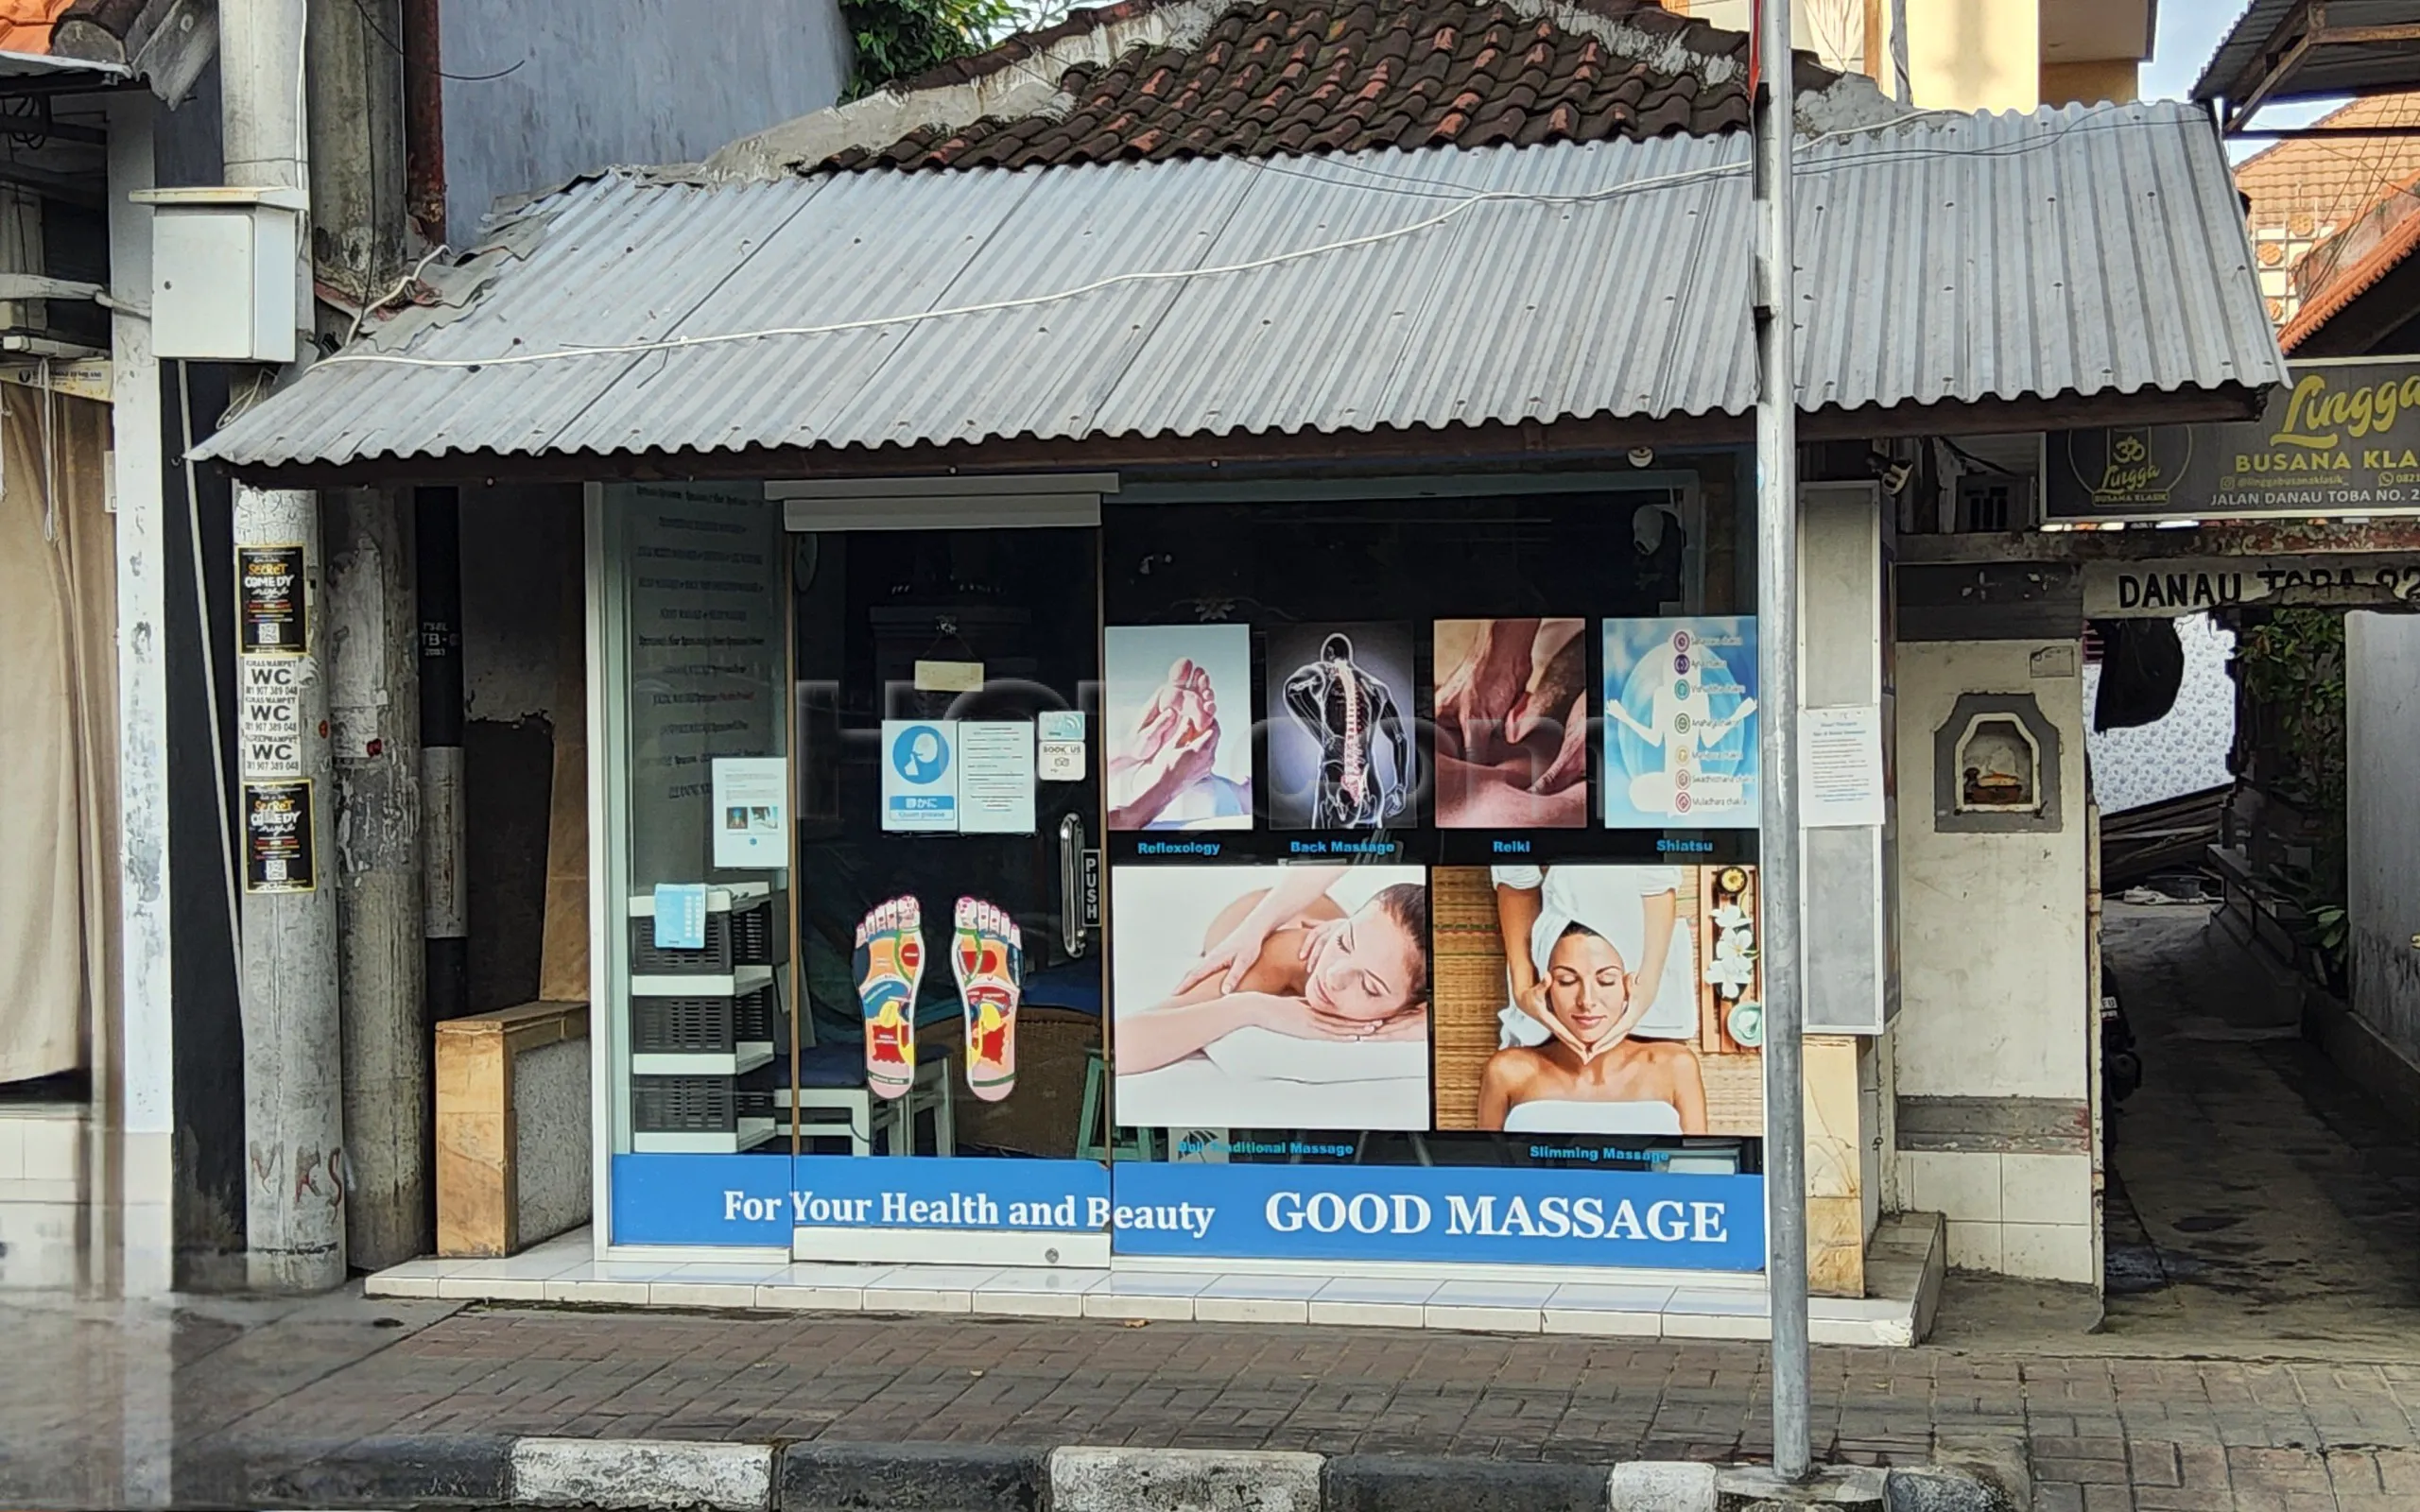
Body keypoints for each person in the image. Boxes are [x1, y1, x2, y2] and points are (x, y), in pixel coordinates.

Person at [1114, 866, 1428, 1074]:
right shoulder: (1287, 954)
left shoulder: (1409, 993)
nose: (1334, 976)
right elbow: (1120, 1046)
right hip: (1251, 910)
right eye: (1343, 942)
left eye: (1370, 987)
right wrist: (1249, 1008)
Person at [1477, 922, 1706, 1135]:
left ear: (1630, 987)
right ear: (1545, 989)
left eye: (1606, 980)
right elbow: (1482, 1173)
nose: (1586, 1000)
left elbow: (1703, 1169)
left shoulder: (1674, 1066)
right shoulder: (1509, 1071)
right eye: (1567, 980)